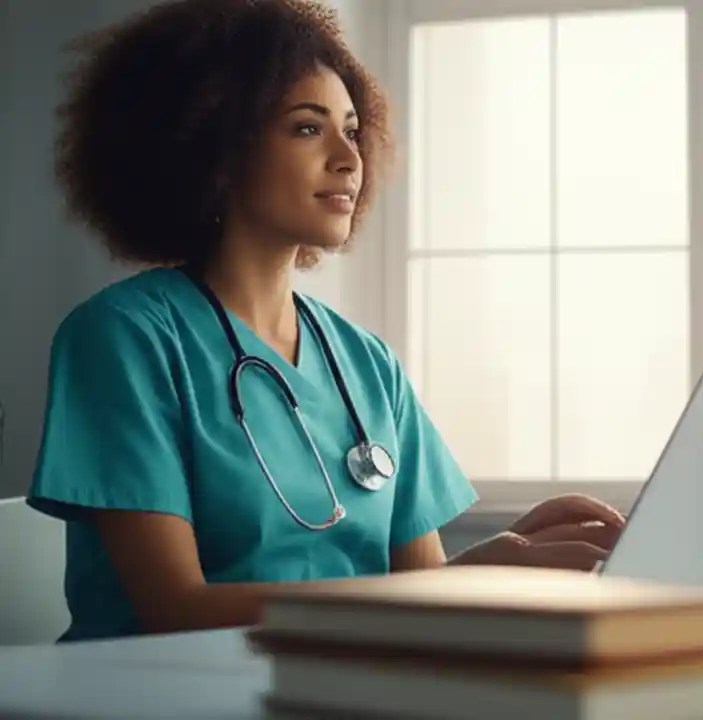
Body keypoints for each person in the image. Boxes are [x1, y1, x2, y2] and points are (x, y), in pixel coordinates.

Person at [26, 0, 625, 643]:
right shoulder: (124, 336)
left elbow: (419, 591)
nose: (349, 158)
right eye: (308, 128)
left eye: (353, 130)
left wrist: (495, 565)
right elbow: (176, 609)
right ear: (214, 146)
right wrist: (451, 586)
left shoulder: (368, 364)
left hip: (333, 680)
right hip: (154, 685)